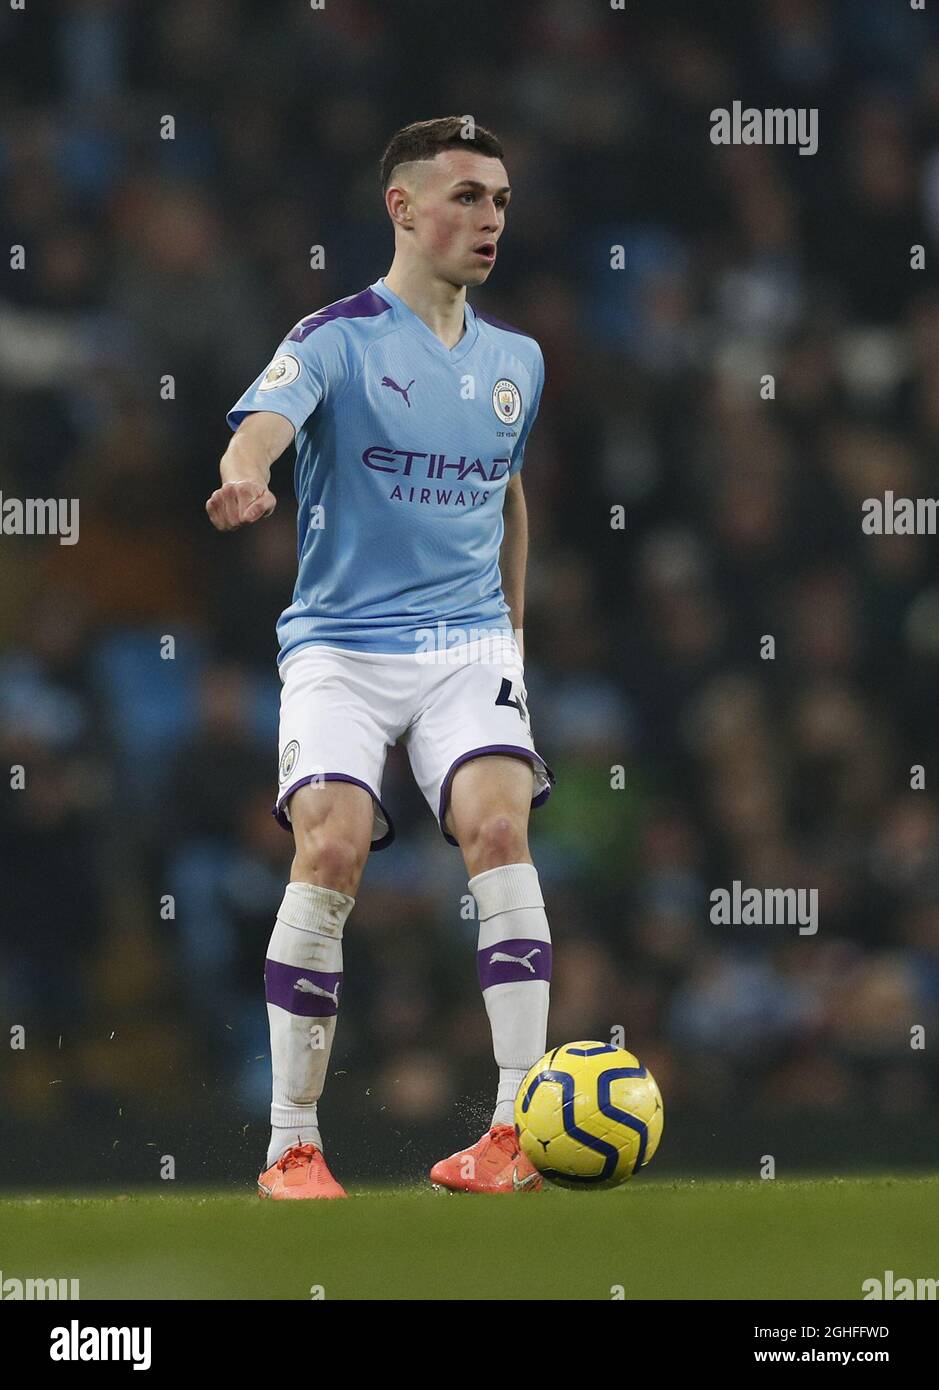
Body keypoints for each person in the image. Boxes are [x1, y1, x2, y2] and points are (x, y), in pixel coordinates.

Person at [206, 116, 555, 1198]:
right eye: (464, 196)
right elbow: (261, 424)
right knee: (333, 849)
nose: (487, 217)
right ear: (403, 208)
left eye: (497, 198)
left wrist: (515, 632)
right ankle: (292, 1143)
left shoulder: (517, 361)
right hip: (342, 647)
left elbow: (506, 495)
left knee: (500, 827)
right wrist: (250, 474)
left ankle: (513, 1129)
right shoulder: (334, 336)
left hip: (467, 646)